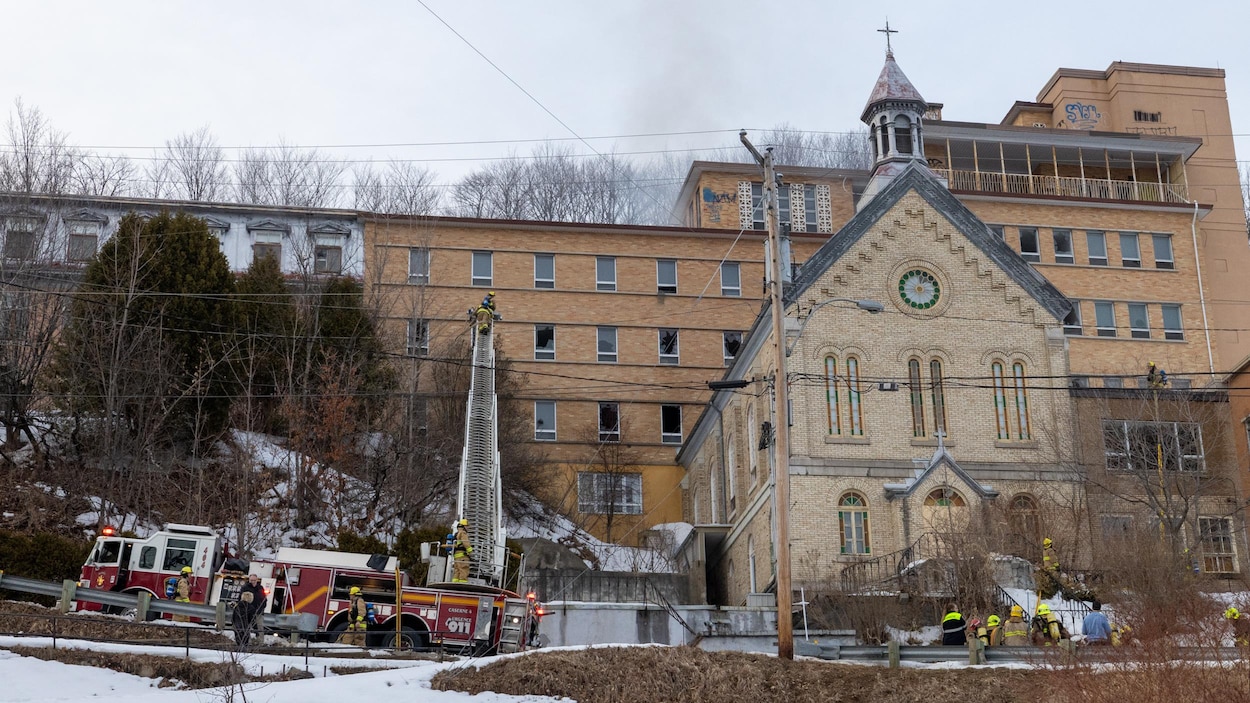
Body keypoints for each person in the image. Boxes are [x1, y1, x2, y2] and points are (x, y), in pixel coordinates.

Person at [234, 574, 267, 649]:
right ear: (249, 580)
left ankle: (260, 642)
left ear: (257, 580)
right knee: (246, 626)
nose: (252, 582)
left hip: (258, 611)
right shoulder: (245, 588)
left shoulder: (260, 588)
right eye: (251, 580)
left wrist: (260, 609)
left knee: (259, 626)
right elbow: (240, 599)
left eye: (254, 580)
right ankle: (247, 642)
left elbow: (264, 600)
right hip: (247, 611)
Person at [452, 518, 474, 583]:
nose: (468, 528)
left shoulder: (456, 533)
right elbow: (466, 543)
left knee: (457, 570)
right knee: (464, 569)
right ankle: (462, 583)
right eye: (467, 526)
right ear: (464, 526)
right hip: (462, 556)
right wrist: (470, 551)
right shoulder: (463, 533)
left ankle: (455, 582)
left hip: (456, 556)